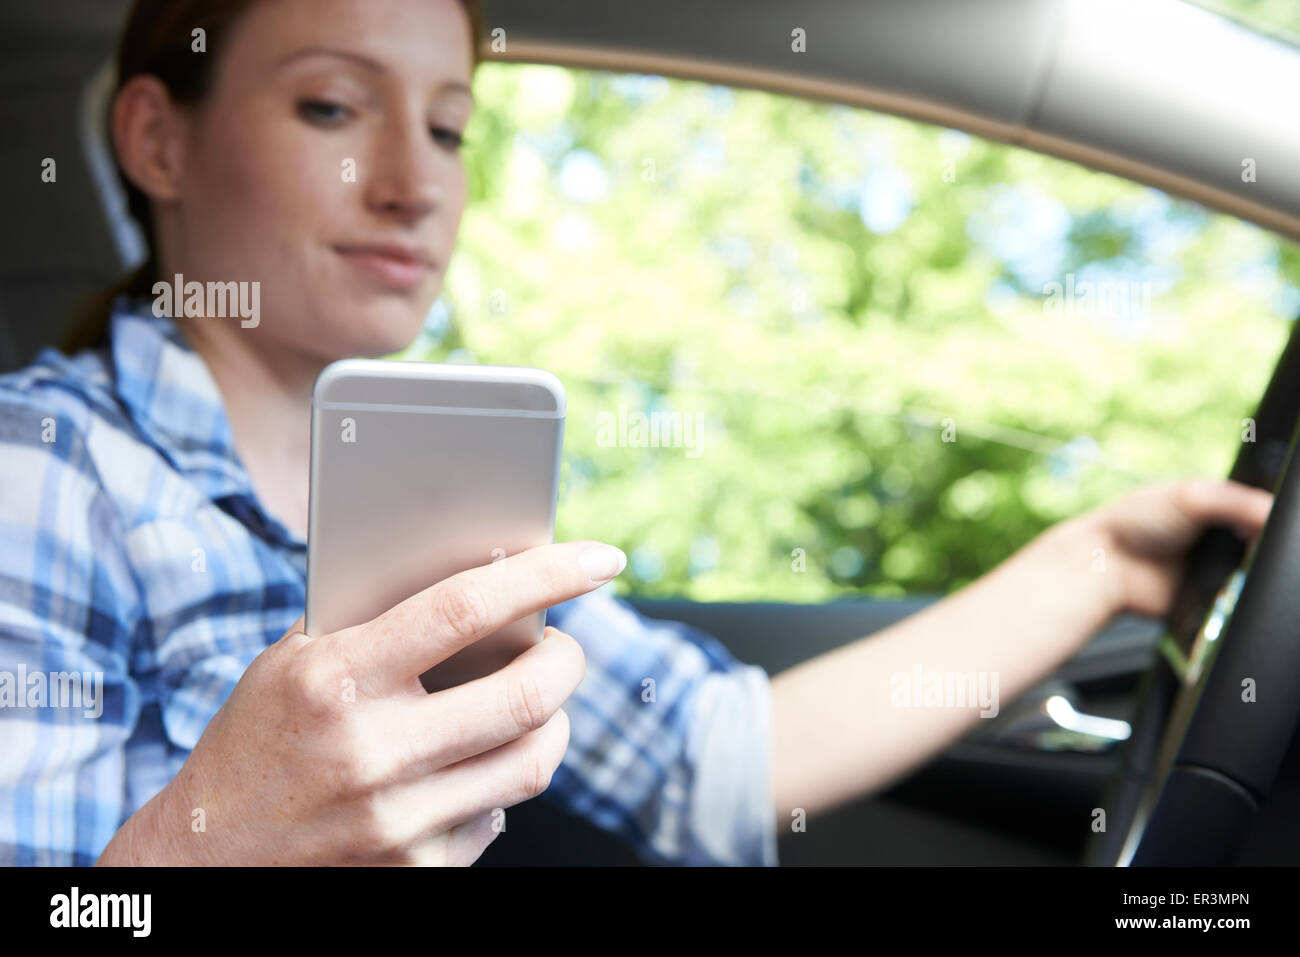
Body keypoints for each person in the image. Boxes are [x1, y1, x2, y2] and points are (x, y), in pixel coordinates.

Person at [0, 0, 1274, 866]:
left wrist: (1094, 564)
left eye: (449, 126)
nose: (414, 180)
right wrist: (218, 832)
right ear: (158, 138)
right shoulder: (42, 473)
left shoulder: (441, 480)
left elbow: (713, 764)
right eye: (333, 109)